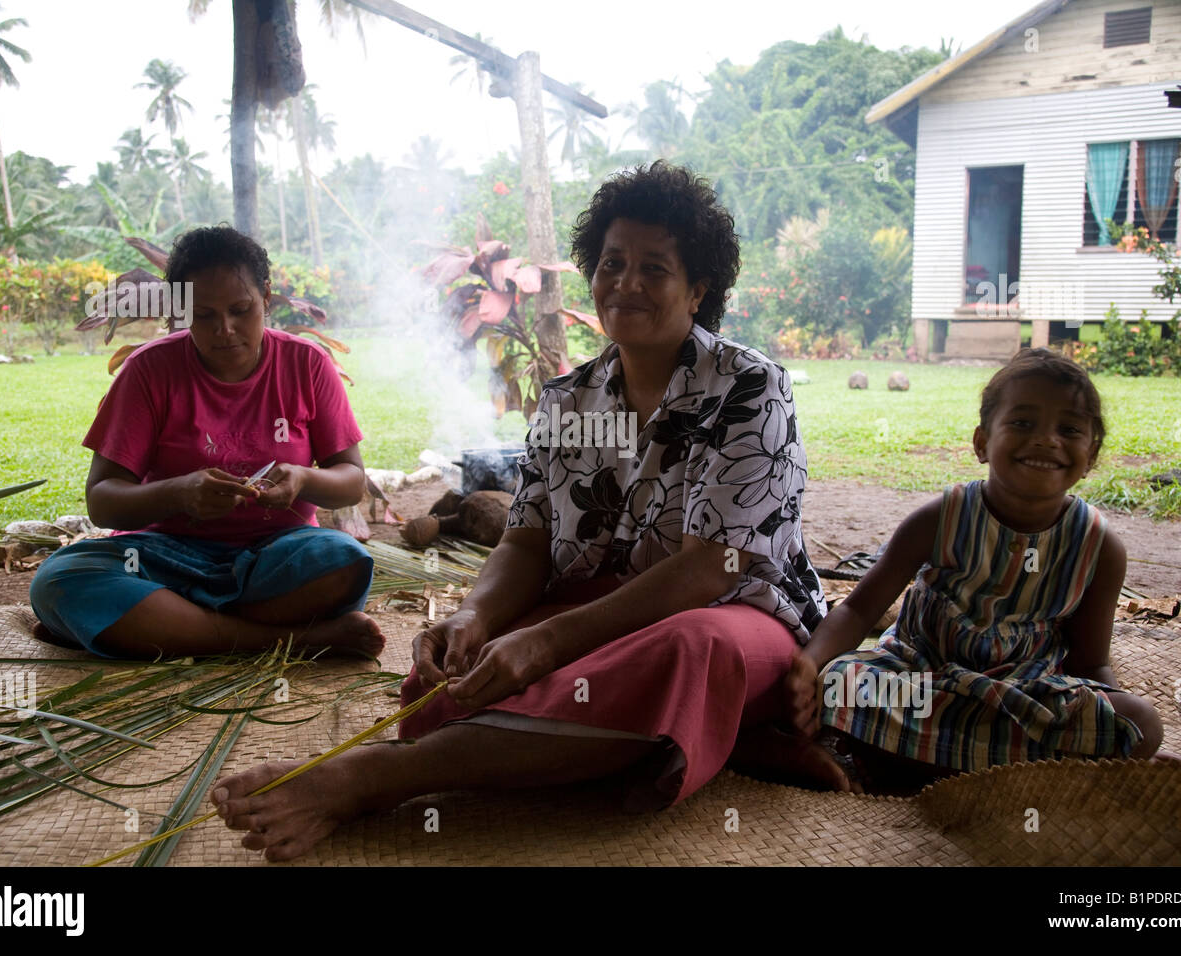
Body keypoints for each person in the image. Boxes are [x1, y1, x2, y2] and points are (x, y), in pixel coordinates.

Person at [211, 161, 836, 861]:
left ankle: (376, 777)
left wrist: (546, 642)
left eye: (654, 269)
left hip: (739, 613)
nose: (625, 283)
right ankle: (671, 737)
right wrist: (476, 615)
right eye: (612, 263)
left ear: (698, 289)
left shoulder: (750, 388)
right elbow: (525, 542)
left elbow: (707, 571)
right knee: (451, 672)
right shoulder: (568, 400)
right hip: (606, 609)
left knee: (693, 652)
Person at [787, 348, 1163, 792]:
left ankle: (913, 768)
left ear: (1092, 452)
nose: (1046, 440)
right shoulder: (940, 519)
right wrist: (810, 664)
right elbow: (859, 610)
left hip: (1022, 696)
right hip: (922, 680)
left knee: (1141, 723)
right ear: (982, 442)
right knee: (842, 684)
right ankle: (995, 772)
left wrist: (1101, 720)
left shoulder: (1099, 547)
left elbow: (1091, 661)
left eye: (1069, 429)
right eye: (1022, 423)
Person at [29, 226, 383, 660]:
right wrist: (179, 494)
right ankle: (289, 639)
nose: (226, 330)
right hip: (159, 560)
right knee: (61, 579)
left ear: (266, 298)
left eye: (241, 310)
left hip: (276, 557)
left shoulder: (307, 365)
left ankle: (170, 626)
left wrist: (302, 478)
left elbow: (351, 481)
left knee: (343, 562)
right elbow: (103, 500)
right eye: (204, 315)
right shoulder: (148, 371)